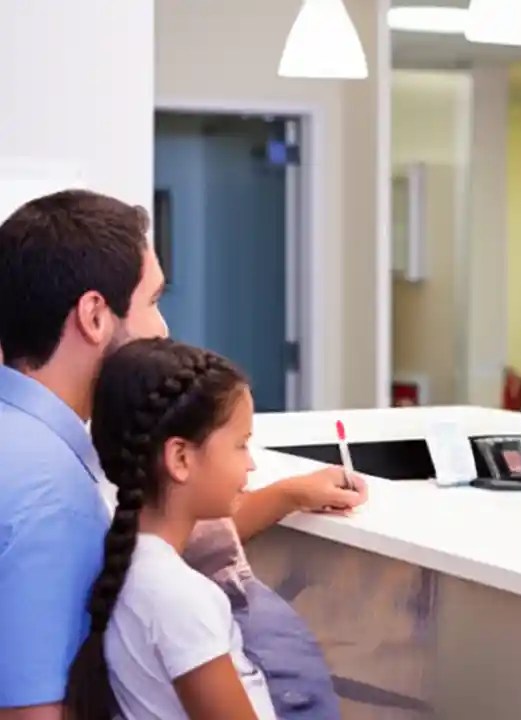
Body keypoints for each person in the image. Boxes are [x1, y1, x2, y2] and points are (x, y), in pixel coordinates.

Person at [0, 189, 361, 719]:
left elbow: (162, 521)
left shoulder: (24, 446)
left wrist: (285, 495)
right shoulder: (52, 497)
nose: (162, 328)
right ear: (95, 315)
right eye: (152, 302)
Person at [65, 339, 275, 719]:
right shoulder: (180, 598)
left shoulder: (128, 569)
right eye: (241, 445)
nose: (251, 464)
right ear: (180, 458)